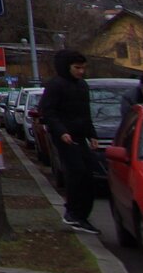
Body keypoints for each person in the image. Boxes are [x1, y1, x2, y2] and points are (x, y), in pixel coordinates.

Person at [37, 47, 100, 234]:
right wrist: (61, 131)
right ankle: (73, 213)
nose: (81, 71)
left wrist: (92, 134)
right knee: (77, 172)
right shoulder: (56, 85)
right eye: (77, 67)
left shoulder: (82, 86)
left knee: (89, 174)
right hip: (65, 137)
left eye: (83, 68)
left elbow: (85, 113)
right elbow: (48, 111)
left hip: (80, 136)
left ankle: (81, 214)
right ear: (67, 67)